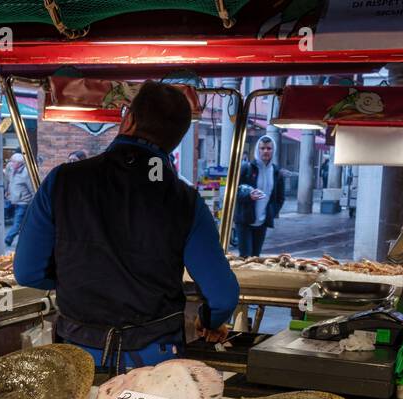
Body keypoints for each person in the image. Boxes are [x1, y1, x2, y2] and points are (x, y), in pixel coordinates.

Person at [13, 80, 239, 372]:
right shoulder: (184, 200)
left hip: (78, 357)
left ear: (128, 119)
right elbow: (222, 295)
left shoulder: (63, 181)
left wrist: (79, 279)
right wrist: (209, 320)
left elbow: (28, 271)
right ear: (177, 138)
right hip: (153, 362)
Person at [234, 134, 285, 258]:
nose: (265, 151)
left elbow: (280, 198)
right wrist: (248, 196)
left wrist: (272, 212)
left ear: (273, 150)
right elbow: (233, 192)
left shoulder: (276, 172)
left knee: (256, 257)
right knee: (245, 257)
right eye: (262, 148)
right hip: (245, 221)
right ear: (257, 150)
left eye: (268, 148)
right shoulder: (246, 168)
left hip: (262, 222)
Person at [4, 152, 34, 248]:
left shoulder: (26, 173)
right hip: (13, 201)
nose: (11, 163)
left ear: (20, 163)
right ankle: (27, 239)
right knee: (22, 223)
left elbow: (32, 189)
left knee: (17, 222)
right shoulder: (12, 169)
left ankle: (8, 239)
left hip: (23, 202)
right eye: (11, 161)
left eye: (13, 162)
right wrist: (7, 191)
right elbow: (9, 182)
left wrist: (34, 202)